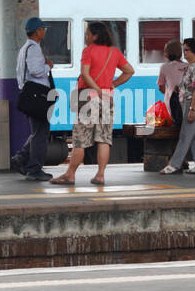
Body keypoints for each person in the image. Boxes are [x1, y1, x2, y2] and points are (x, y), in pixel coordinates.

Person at [52, 21, 133, 186]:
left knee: (81, 139)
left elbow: (85, 74)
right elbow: (129, 71)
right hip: (107, 98)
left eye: (87, 34)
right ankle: (100, 175)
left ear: (95, 35)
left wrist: (96, 88)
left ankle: (70, 175)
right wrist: (112, 85)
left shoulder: (88, 51)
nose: (85, 37)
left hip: (89, 96)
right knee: (104, 138)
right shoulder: (114, 52)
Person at [12, 17, 54, 182]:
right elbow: (36, 71)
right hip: (37, 95)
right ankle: (34, 169)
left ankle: (21, 158)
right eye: (43, 28)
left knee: (38, 131)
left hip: (28, 94)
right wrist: (48, 66)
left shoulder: (25, 48)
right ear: (37, 31)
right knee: (41, 133)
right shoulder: (34, 48)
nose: (44, 31)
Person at [161, 36, 195, 174]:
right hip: (188, 103)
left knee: (185, 134)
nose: (184, 53)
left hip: (194, 104)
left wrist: (192, 110)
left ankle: (174, 165)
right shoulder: (190, 67)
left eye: (187, 50)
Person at [157, 39, 187, 124]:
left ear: (166, 54)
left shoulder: (164, 67)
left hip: (171, 101)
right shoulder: (188, 66)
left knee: (174, 122)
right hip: (187, 101)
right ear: (181, 53)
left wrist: (168, 92)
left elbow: (161, 87)